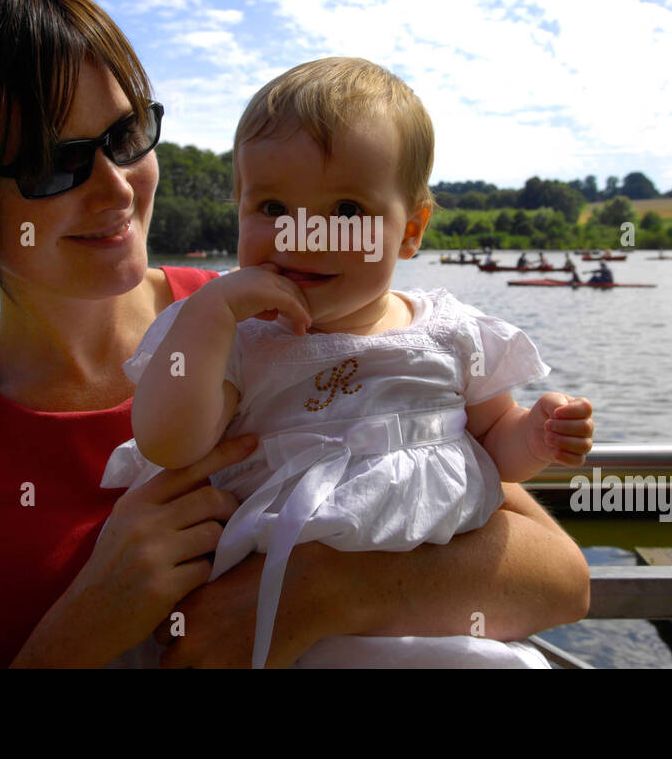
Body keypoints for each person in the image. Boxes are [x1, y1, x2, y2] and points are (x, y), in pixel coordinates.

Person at [0, 0, 591, 668]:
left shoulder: (298, 317)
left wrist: (314, 592)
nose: (118, 188)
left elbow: (557, 578)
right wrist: (87, 623)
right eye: (52, 162)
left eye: (125, 136)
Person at [103, 58, 594, 668]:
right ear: (238, 208)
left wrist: (539, 434)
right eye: (274, 207)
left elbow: (498, 448)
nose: (304, 234)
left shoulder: (448, 333)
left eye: (345, 214)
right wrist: (207, 317)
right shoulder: (237, 337)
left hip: (432, 625)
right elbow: (169, 442)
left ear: (410, 230)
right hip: (261, 633)